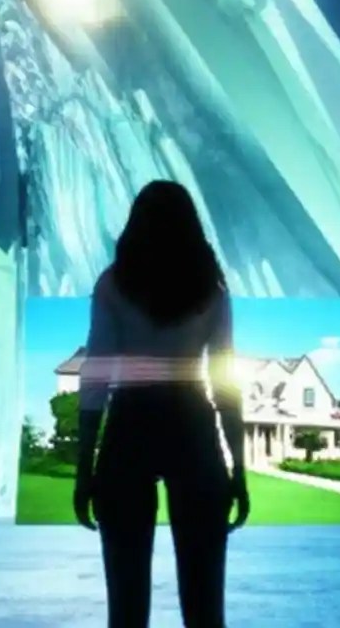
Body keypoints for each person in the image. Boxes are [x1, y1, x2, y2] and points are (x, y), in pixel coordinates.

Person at [72, 180, 250, 628]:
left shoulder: (113, 285)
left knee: (126, 612)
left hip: (129, 425)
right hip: (192, 423)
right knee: (206, 609)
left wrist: (84, 471)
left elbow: (95, 376)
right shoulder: (212, 288)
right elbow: (225, 382)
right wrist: (239, 471)